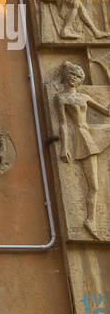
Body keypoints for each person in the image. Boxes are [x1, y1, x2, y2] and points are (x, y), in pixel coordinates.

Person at [53, 61, 110, 238]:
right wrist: (64, 147)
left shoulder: (84, 97)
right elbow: (63, 124)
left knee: (95, 185)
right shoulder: (61, 98)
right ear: (66, 77)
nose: (73, 78)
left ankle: (91, 219)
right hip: (80, 139)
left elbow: (106, 112)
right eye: (71, 75)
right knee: (93, 185)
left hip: (91, 133)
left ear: (80, 80)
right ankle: (90, 219)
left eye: (77, 76)